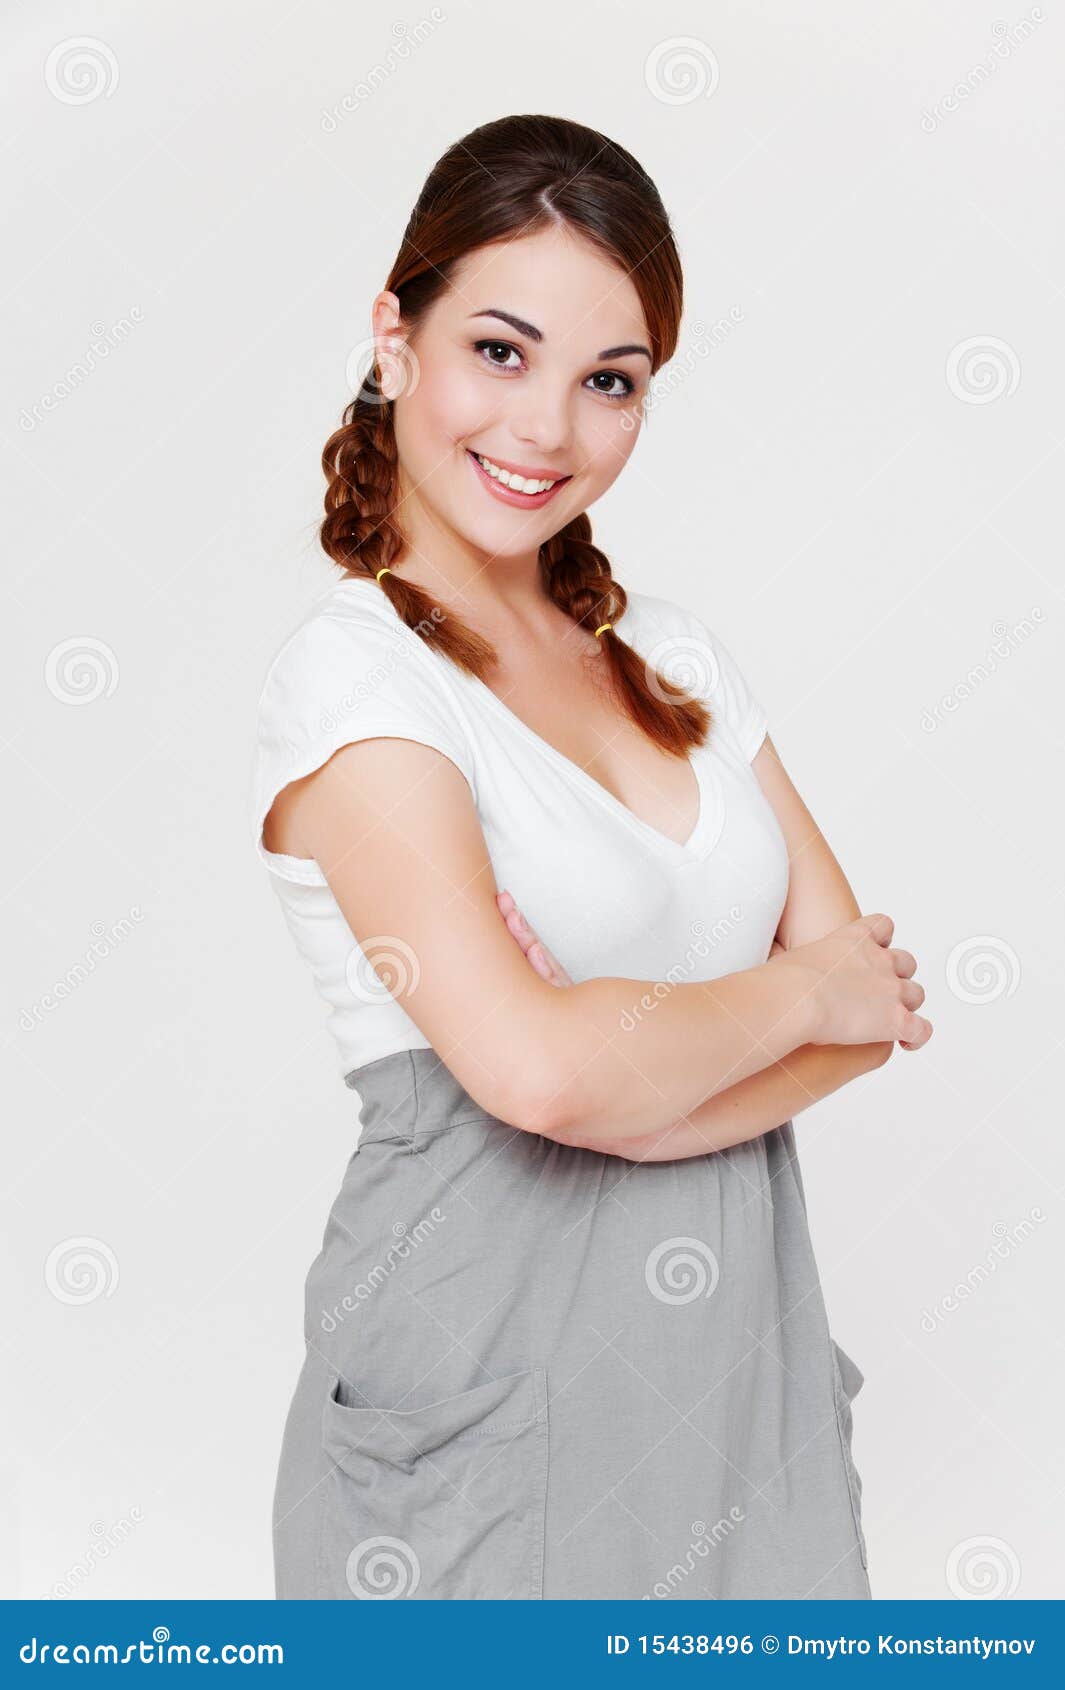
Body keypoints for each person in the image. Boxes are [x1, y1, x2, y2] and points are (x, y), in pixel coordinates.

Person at [249, 113, 932, 1601]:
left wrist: (643, 1070)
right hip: (484, 1421)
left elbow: (870, 1007)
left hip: (734, 1413)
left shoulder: (670, 652)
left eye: (606, 381)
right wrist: (783, 995)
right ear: (394, 335)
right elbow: (541, 1076)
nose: (547, 429)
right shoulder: (355, 684)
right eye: (500, 350)